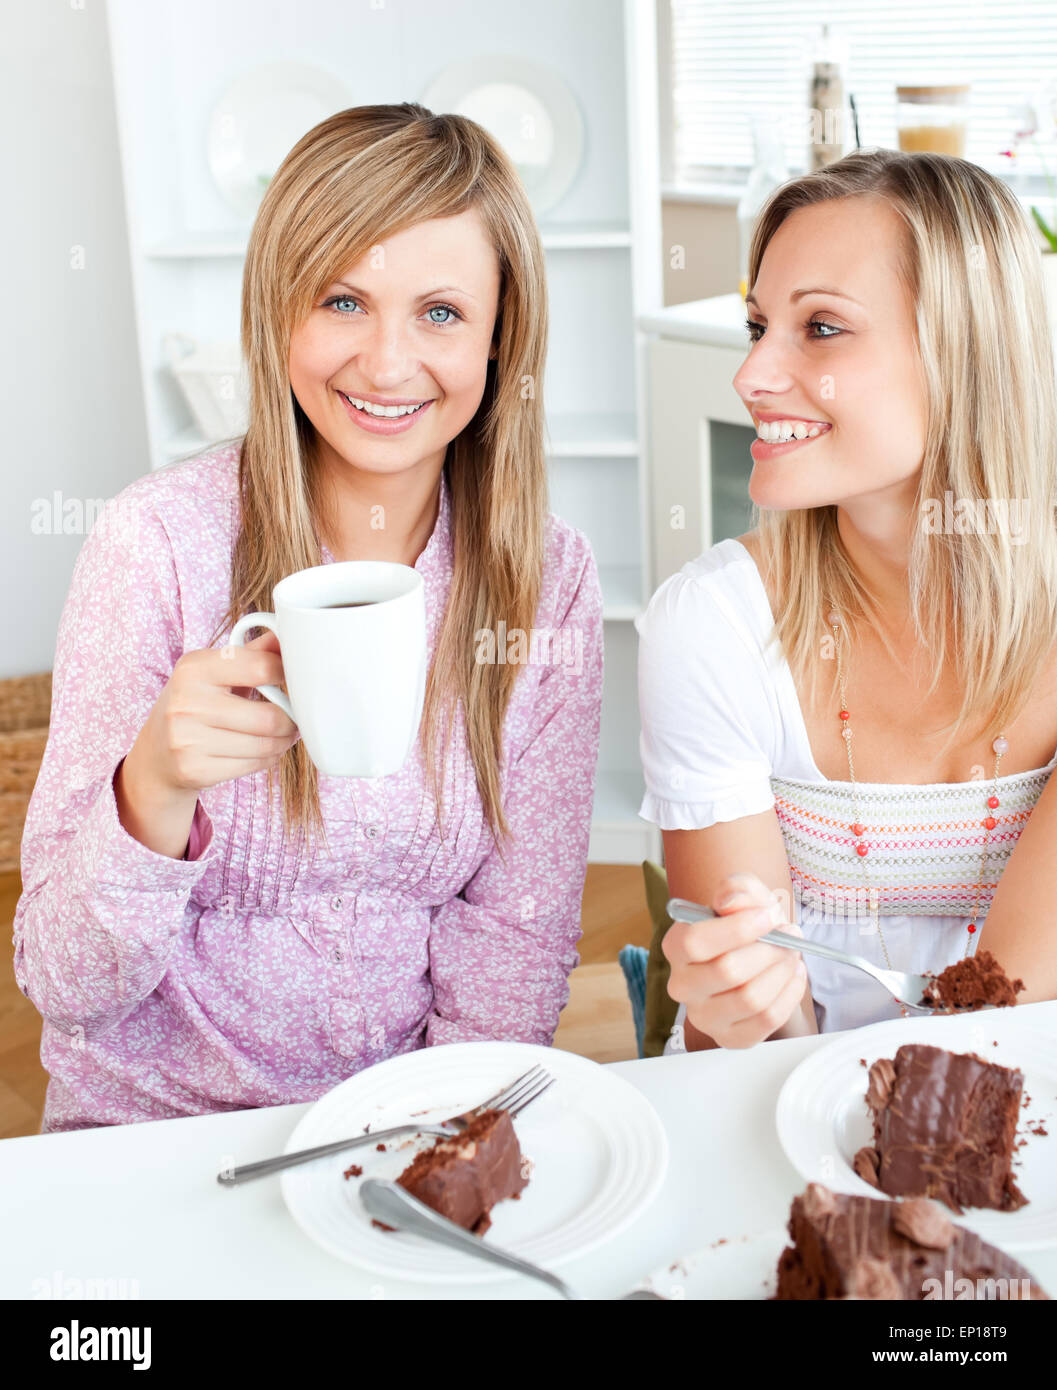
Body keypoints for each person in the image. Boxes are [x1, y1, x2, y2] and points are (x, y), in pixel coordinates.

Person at [13, 103, 604, 1130]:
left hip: (401, 1128)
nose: (384, 364)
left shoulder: (543, 578)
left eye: (440, 312)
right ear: (276, 311)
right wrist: (151, 785)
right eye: (342, 300)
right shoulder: (153, 546)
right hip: (154, 1135)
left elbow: (517, 938)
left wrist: (445, 1150)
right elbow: (64, 983)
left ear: (504, 336)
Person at [637, 148, 1057, 1051]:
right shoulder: (710, 625)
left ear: (963, 352)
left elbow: (1002, 1015)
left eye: (820, 327)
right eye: (758, 326)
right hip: (782, 1095)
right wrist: (737, 1004)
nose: (751, 376)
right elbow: (744, 1054)